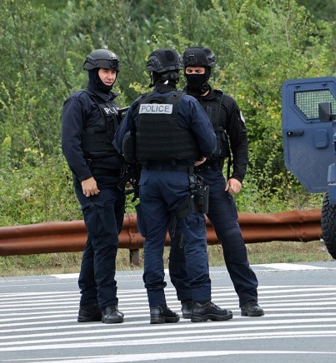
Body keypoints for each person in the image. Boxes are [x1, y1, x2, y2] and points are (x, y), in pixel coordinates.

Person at [114, 48, 231, 324]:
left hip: (149, 181)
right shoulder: (186, 103)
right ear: (176, 74)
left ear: (152, 74)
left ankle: (157, 307)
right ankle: (201, 303)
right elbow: (210, 144)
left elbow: (121, 143)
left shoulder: (138, 104)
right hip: (180, 179)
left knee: (153, 242)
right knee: (193, 240)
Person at [168, 46, 263, 319]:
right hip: (184, 178)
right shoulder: (176, 101)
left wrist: (237, 176)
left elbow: (240, 142)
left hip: (215, 178)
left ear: (208, 72)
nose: (194, 76)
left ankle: (248, 299)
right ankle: (188, 300)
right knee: (182, 241)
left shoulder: (225, 104)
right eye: (189, 71)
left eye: (199, 71)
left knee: (232, 238)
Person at [61, 49, 127, 324]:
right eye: (105, 71)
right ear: (93, 72)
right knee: (106, 241)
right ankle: (108, 305)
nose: (110, 76)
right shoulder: (79, 102)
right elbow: (70, 145)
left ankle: (88, 306)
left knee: (98, 241)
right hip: (94, 182)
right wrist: (85, 176)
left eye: (113, 72)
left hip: (115, 181)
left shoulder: (111, 103)